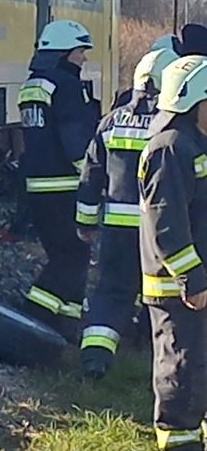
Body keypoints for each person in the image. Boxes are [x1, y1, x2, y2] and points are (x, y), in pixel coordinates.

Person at [76, 47, 177, 379]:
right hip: (159, 230)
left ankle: (95, 357)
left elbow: (91, 177)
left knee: (112, 291)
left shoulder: (112, 121)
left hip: (117, 231)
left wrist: (86, 223)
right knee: (163, 295)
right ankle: (158, 359)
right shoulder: (174, 128)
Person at [16, 19, 100, 340]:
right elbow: (77, 143)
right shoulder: (67, 87)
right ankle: (36, 313)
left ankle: (65, 324)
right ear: (65, 53)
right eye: (81, 51)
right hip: (65, 188)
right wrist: (95, 179)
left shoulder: (33, 86)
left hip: (36, 188)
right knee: (73, 256)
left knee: (65, 255)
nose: (84, 58)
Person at [139, 55, 207, 450]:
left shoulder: (193, 144)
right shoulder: (169, 148)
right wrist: (192, 279)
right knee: (179, 372)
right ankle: (179, 442)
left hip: (196, 283)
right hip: (177, 288)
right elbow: (168, 225)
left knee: (199, 369)